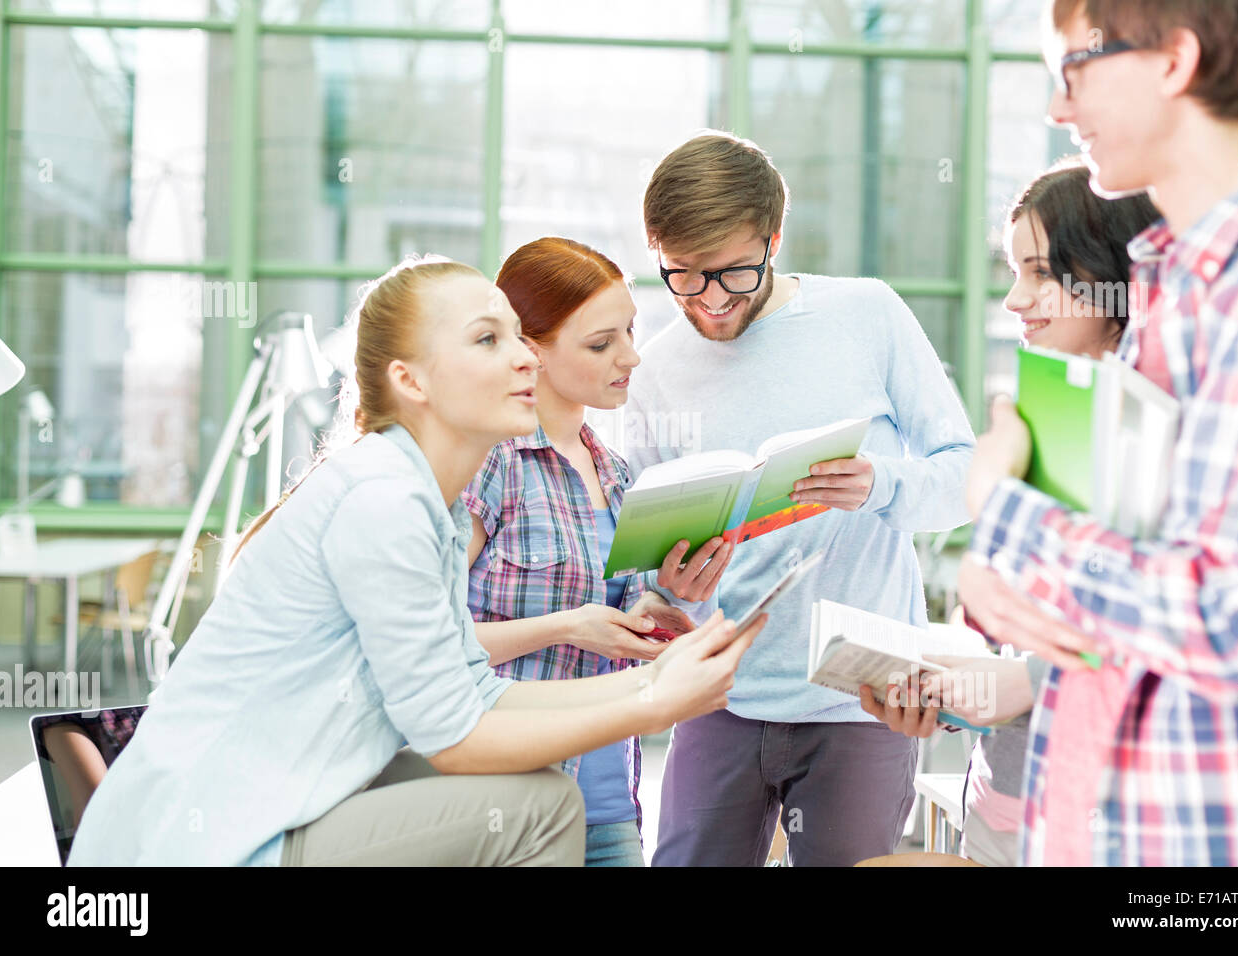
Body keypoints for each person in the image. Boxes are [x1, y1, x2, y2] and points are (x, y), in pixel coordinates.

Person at [66, 255, 764, 866]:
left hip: (267, 816)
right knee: (543, 806)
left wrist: (660, 679)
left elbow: (474, 691)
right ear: (411, 381)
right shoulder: (383, 500)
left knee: (540, 791)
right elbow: (455, 737)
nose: (525, 357)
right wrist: (651, 703)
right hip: (206, 842)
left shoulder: (429, 503)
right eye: (489, 340)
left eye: (518, 336)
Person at [958, 0, 1238, 865]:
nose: (1058, 110)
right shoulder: (1171, 292)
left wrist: (1002, 508)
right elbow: (1137, 585)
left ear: (1174, 62)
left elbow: (1224, 619)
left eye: (1074, 71)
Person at [625, 132, 976, 867]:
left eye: (733, 274)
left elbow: (965, 478)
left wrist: (882, 485)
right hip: (718, 695)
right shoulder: (656, 369)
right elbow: (644, 556)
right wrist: (668, 586)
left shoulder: (866, 316)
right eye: (682, 277)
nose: (710, 303)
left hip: (858, 696)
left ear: (774, 239)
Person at [861, 159, 1159, 867]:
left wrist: (1019, 687)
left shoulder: (1153, 433)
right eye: (1013, 273)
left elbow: (1160, 639)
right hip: (1006, 804)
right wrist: (951, 684)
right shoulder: (1051, 412)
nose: (1016, 301)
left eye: (1042, 274)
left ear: (1114, 272)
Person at [462, 237, 719, 866]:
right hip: (510, 804)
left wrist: (668, 602)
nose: (631, 356)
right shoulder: (486, 465)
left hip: (612, 806)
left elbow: (617, 627)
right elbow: (432, 640)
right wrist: (573, 627)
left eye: (629, 332)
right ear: (530, 351)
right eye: (601, 344)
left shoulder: (620, 475)